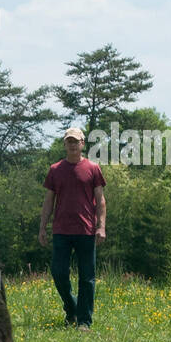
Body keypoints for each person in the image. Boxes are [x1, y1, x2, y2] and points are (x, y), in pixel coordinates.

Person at [38, 127, 106, 331]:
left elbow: (100, 200)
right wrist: (42, 227)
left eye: (76, 141)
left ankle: (84, 321)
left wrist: (101, 226)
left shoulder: (93, 168)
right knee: (58, 273)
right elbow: (48, 201)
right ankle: (71, 307)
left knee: (87, 277)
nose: (73, 145)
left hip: (86, 230)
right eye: (69, 141)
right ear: (64, 144)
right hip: (61, 230)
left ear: (83, 144)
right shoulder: (55, 170)